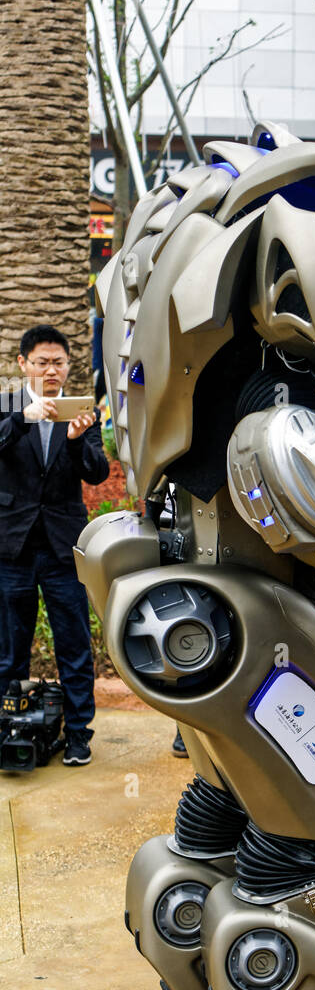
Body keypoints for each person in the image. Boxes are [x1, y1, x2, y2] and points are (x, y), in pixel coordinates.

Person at [0, 325, 109, 765]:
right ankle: (9, 729)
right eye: (42, 362)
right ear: (23, 363)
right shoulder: (7, 405)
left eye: (58, 363)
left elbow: (98, 472)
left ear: (68, 367)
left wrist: (77, 439)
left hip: (64, 548)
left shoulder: (81, 411)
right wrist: (21, 419)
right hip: (12, 546)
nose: (51, 370)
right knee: (9, 648)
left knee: (74, 644)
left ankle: (80, 734)